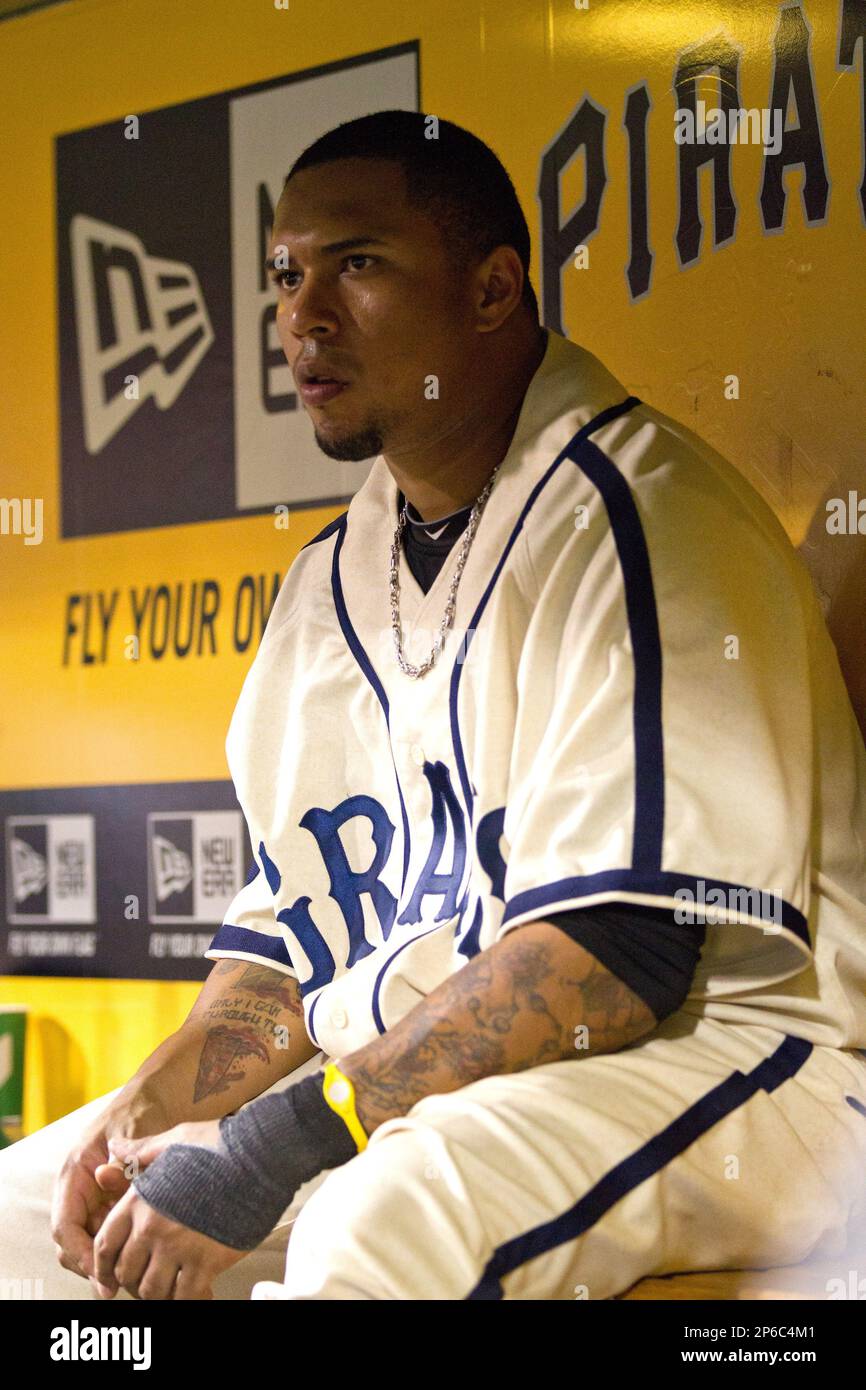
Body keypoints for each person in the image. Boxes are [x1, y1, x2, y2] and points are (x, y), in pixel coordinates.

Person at [2, 110, 865, 1302]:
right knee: (24, 1216)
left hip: (744, 1058)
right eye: (285, 274)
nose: (302, 317)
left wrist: (273, 1143)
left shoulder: (636, 516)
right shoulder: (327, 581)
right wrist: (155, 1111)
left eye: (356, 264)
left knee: (383, 1222)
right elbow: (288, 956)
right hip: (438, 1077)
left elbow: (615, 960)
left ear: (493, 287)